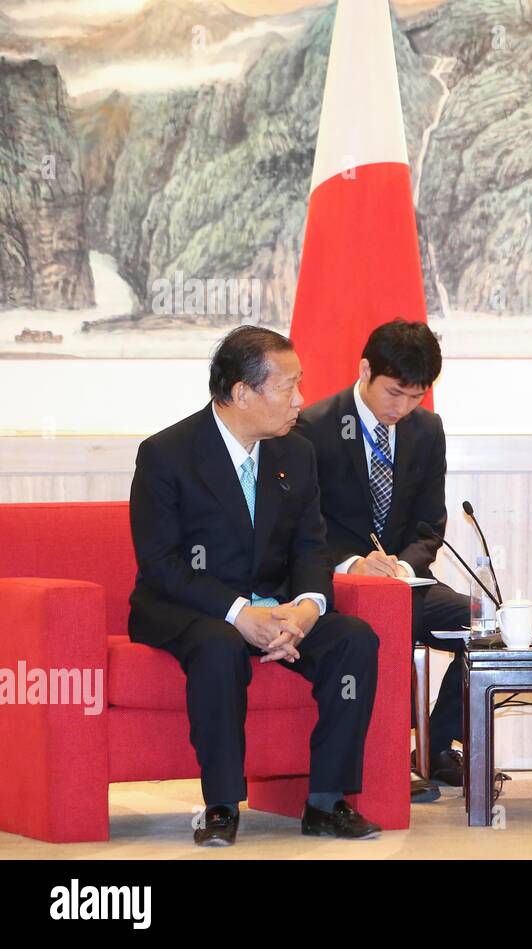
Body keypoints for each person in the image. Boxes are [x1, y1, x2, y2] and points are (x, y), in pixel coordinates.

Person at [127, 326, 382, 847]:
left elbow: (312, 546)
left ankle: (326, 801)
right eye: (288, 388)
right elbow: (162, 564)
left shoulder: (297, 454)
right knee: (219, 645)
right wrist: (239, 613)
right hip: (188, 606)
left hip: (274, 610)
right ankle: (221, 804)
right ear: (242, 393)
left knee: (354, 639)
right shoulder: (167, 454)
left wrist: (307, 610)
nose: (301, 400)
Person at [296, 319, 471, 791]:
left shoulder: (427, 431)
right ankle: (380, 760)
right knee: (372, 632)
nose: (403, 407)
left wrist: (404, 566)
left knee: (482, 626)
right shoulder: (312, 427)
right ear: (365, 369)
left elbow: (429, 524)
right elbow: (300, 525)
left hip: (403, 583)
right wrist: (352, 563)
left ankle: (435, 745)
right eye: (394, 393)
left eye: (416, 397)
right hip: (335, 585)